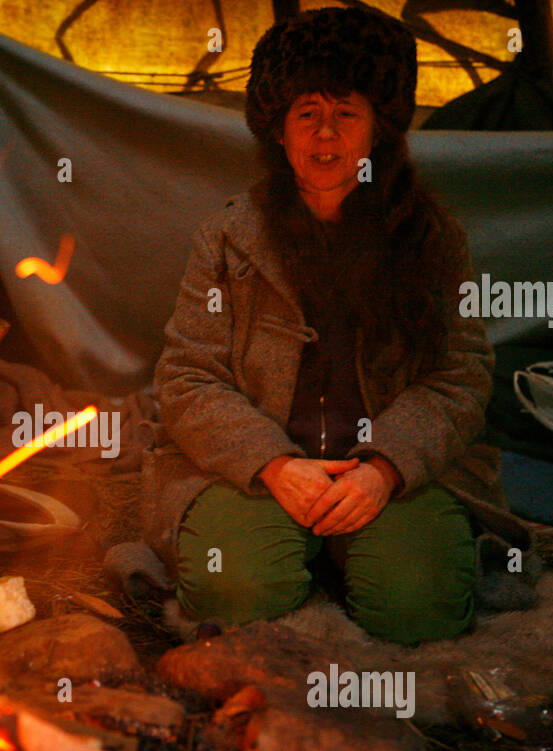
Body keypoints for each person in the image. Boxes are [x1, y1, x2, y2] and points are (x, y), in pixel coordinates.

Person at [141, 6, 530, 645]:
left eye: (346, 114)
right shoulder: (227, 239)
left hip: (389, 472)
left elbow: (460, 377)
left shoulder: (430, 241)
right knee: (233, 591)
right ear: (279, 131)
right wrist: (271, 463)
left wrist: (384, 468)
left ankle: (357, 552)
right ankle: (301, 551)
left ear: (378, 129)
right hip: (255, 473)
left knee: (419, 610)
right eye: (307, 114)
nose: (326, 137)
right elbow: (187, 375)